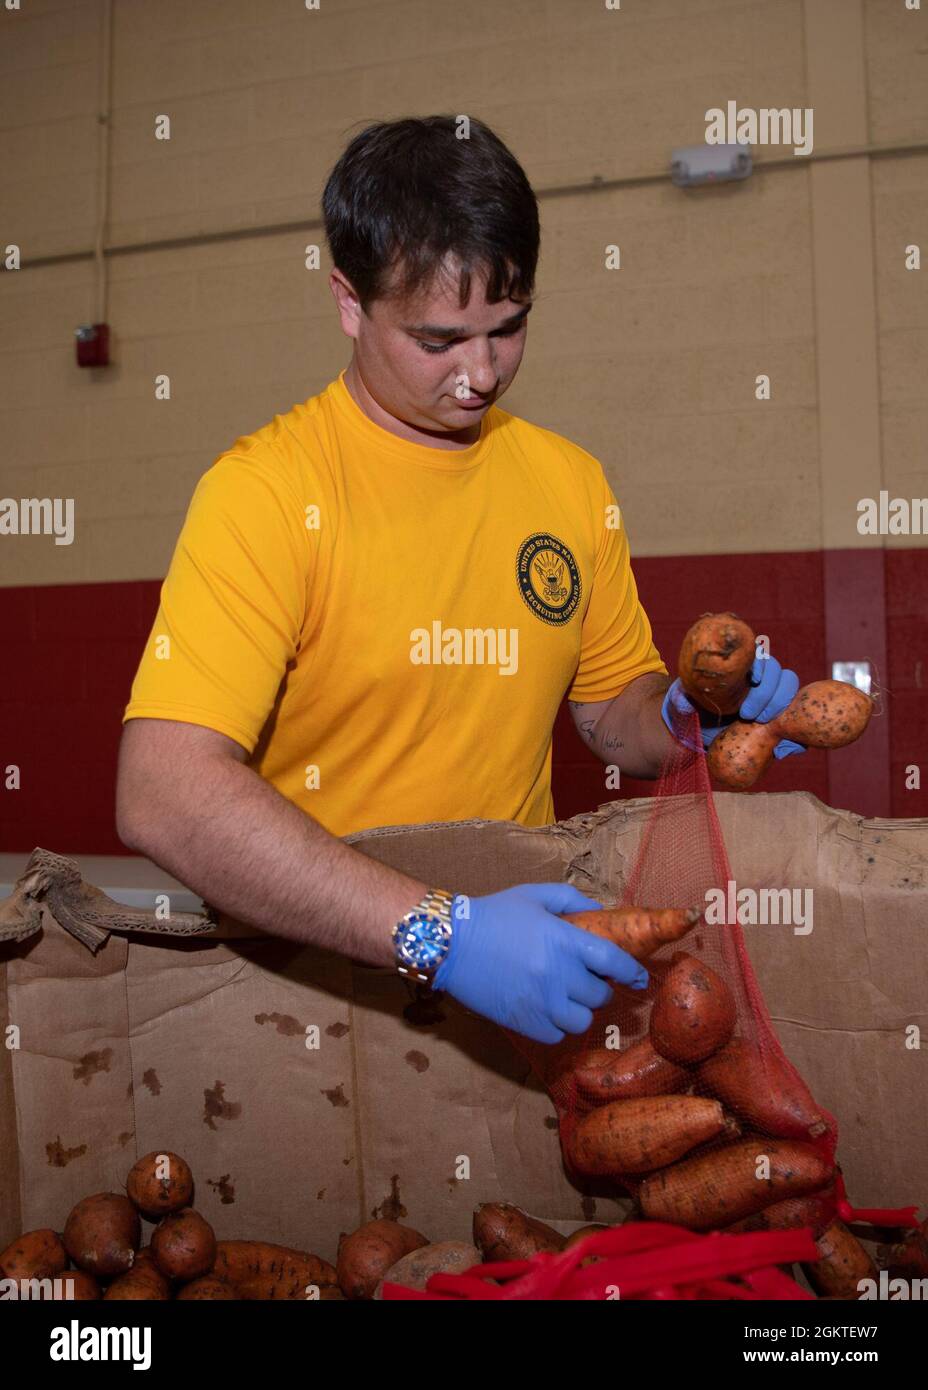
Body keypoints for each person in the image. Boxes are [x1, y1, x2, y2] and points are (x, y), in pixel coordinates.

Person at [117, 116, 800, 1046]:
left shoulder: (567, 482)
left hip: (517, 980)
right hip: (309, 995)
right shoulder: (267, 494)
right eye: (439, 340)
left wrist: (691, 713)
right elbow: (163, 792)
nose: (481, 374)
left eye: (508, 329)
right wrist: (445, 934)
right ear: (349, 303)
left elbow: (611, 715)